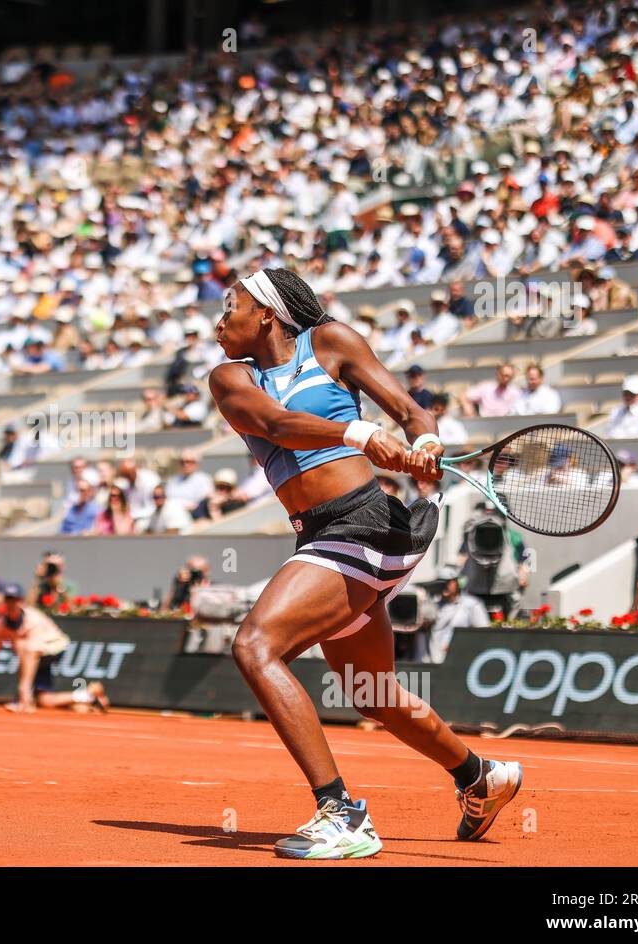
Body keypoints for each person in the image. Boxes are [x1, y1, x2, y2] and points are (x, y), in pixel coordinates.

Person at [209, 267, 519, 861]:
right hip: (324, 536)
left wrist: (424, 445)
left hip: (366, 524)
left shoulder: (332, 342)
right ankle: (482, 776)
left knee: (255, 647)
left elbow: (411, 412)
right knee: (370, 691)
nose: (221, 319)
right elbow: (276, 425)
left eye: (233, 305)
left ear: (267, 315)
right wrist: (356, 432)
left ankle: (342, 813)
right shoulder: (228, 379)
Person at [0, 583, 108, 714]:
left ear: (21, 602)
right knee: (44, 700)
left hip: (55, 648)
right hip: (35, 655)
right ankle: (87, 696)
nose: (11, 604)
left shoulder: (33, 620)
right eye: (8, 599)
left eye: (14, 600)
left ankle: (23, 699)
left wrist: (24, 691)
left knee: (24, 647)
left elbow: (31, 654)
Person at [426, 567, 490, 663]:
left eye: (448, 582)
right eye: (441, 582)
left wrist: (457, 646)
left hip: (460, 660)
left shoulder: (472, 604)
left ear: (456, 583)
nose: (444, 586)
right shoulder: (431, 605)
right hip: (433, 660)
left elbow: (483, 633)